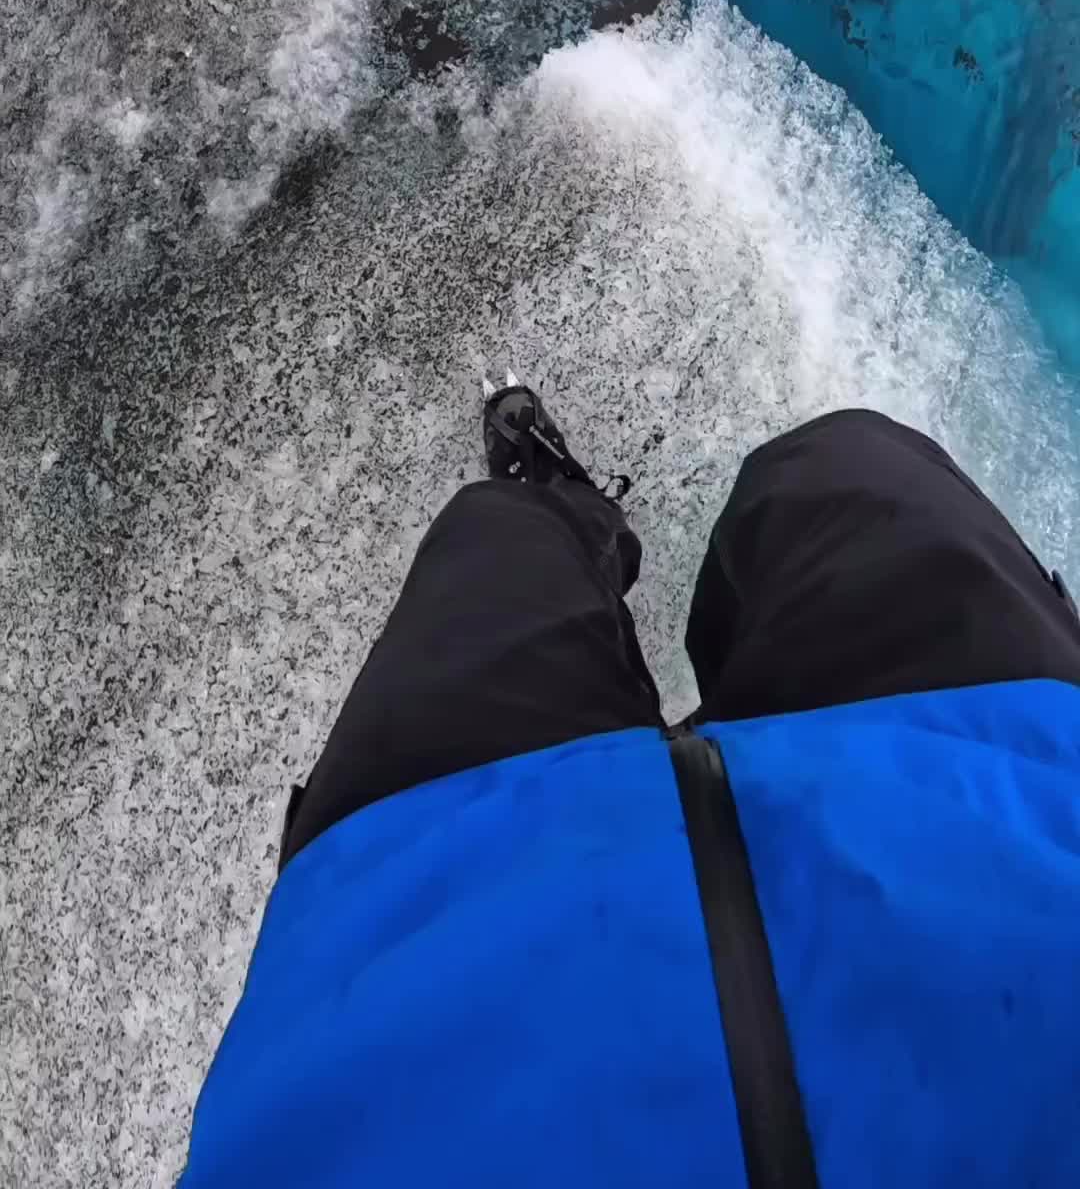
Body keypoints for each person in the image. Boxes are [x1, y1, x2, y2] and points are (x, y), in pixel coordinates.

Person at [180, 388, 1080, 1189]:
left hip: (435, 935)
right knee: (848, 462)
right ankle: (691, 633)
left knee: (494, 545)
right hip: (985, 792)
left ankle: (560, 506)